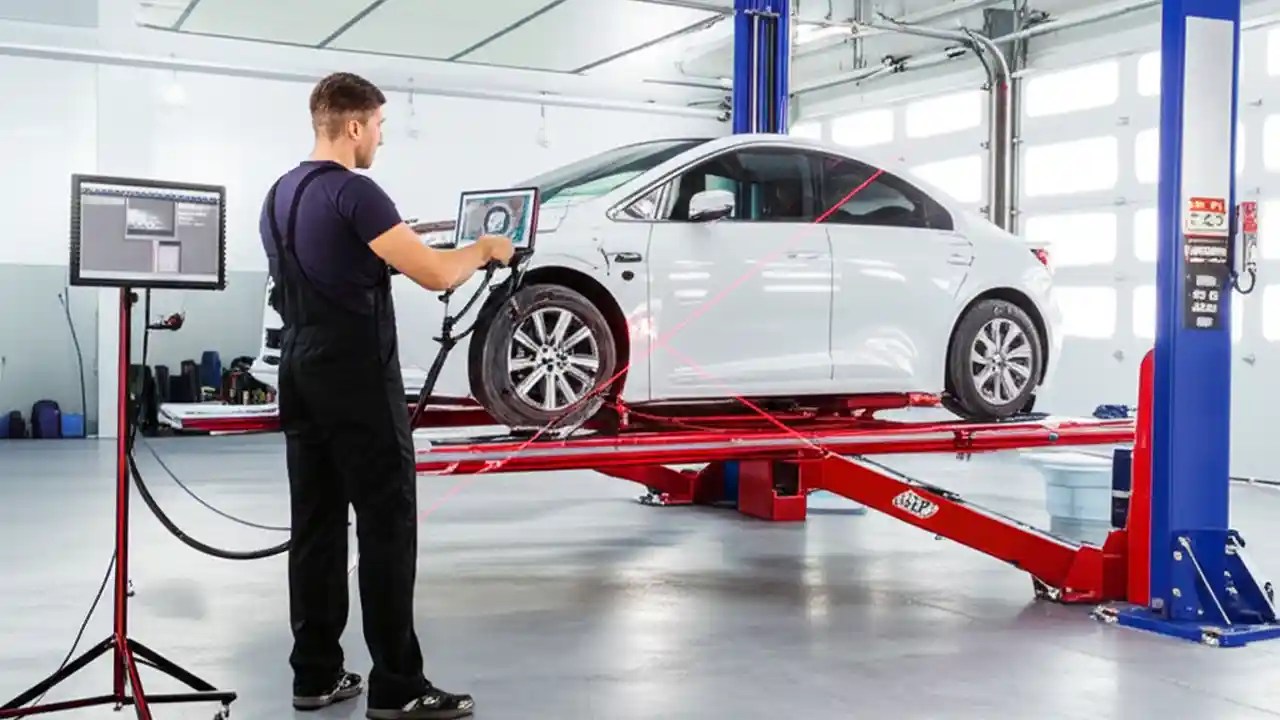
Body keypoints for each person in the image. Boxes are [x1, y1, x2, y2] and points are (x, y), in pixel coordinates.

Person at [259, 71, 513, 720]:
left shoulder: (279, 193)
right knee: (386, 525)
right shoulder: (358, 191)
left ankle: (314, 674)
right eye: (378, 126)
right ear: (352, 125)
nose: (379, 139)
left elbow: (332, 258)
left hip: (299, 370)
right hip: (356, 379)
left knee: (315, 527)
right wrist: (482, 248)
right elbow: (432, 274)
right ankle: (399, 685)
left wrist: (404, 234)